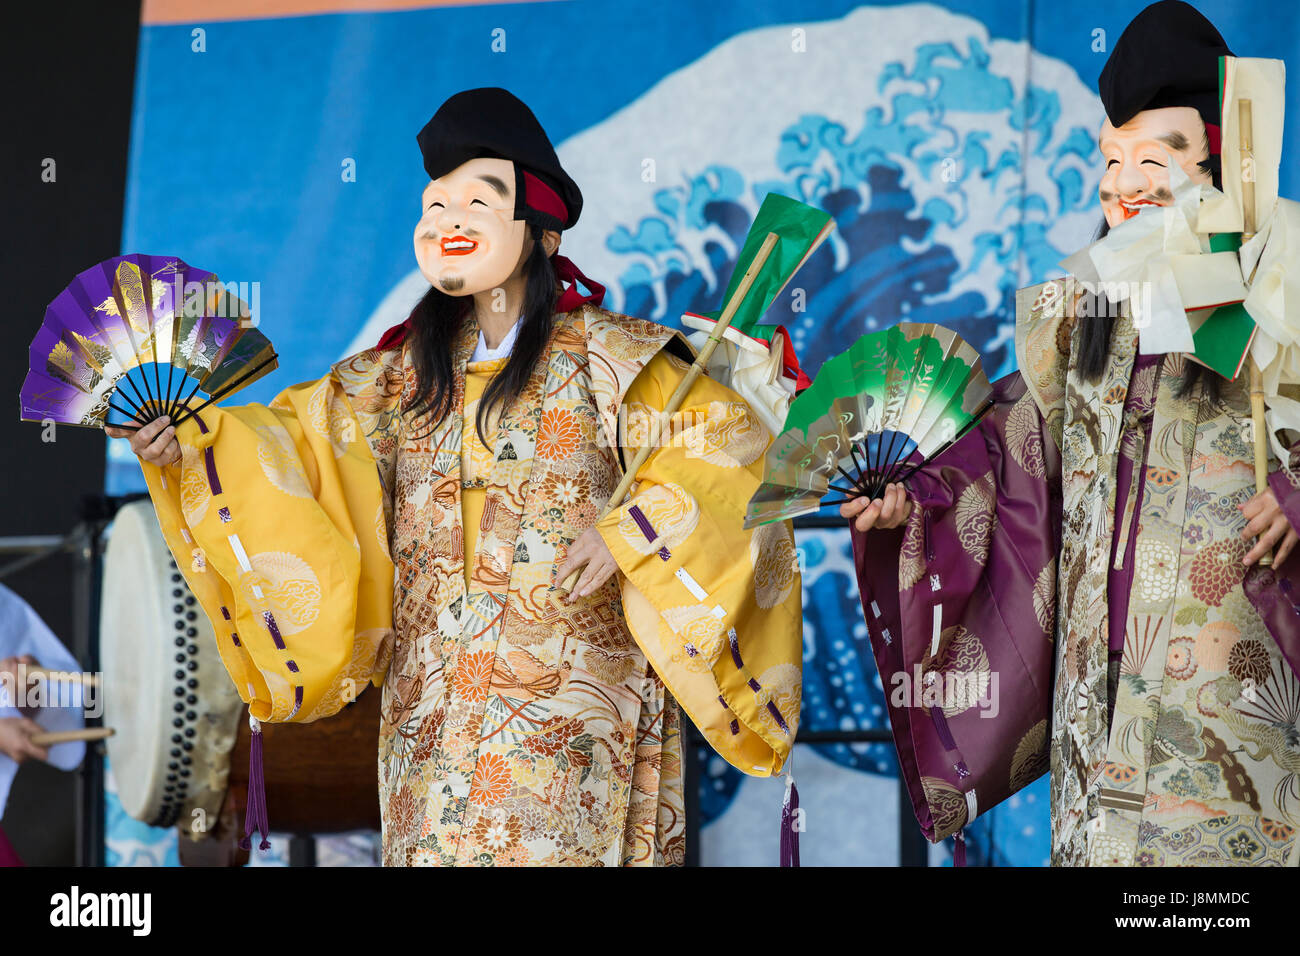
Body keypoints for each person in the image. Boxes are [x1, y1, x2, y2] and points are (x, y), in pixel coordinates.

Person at [109, 87, 803, 867]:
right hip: (431, 717)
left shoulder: (617, 358)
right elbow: (293, 450)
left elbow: (725, 442)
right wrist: (195, 443)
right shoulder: (397, 377)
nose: (449, 220)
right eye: (436, 204)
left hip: (576, 717)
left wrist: (632, 528)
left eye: (480, 199)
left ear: (541, 232)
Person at [847, 1, 1300, 866]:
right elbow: (1010, 458)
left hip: (1231, 682)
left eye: (1160, 153)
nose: (1129, 181)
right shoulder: (1086, 314)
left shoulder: (1285, 276)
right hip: (1101, 697)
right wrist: (917, 504)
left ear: (1223, 154)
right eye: (1112, 158)